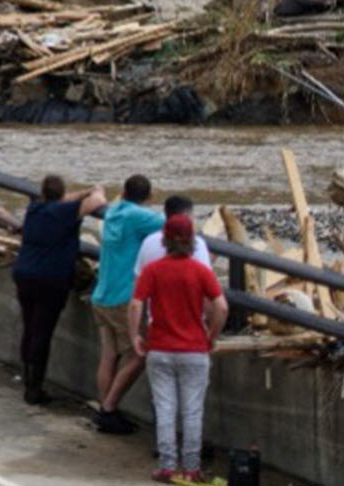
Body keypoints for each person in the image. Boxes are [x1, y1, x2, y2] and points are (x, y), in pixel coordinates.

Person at [131, 215, 229, 483]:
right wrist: (211, 335)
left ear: (165, 239)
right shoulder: (200, 271)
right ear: (192, 242)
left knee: (165, 408)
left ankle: (167, 466)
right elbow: (221, 307)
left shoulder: (153, 270)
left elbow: (136, 304)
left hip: (160, 347)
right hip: (194, 348)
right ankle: (191, 467)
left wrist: (135, 335)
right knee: (192, 410)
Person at [11, 175, 105, 405]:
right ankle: (35, 389)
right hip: (51, 278)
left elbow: (61, 199)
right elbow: (97, 201)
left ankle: (28, 379)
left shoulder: (34, 207)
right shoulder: (66, 212)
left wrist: (80, 192)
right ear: (62, 193)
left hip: (24, 272)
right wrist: (95, 190)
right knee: (43, 331)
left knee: (30, 327)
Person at [88, 174, 165, 434]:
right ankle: (109, 407)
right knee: (138, 353)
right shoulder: (138, 216)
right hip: (123, 296)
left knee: (108, 355)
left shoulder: (113, 212)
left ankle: (104, 409)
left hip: (101, 293)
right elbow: (174, 224)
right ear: (149, 196)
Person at [133, 195, 215, 278]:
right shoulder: (197, 243)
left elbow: (139, 278)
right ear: (187, 216)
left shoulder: (149, 242)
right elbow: (206, 277)